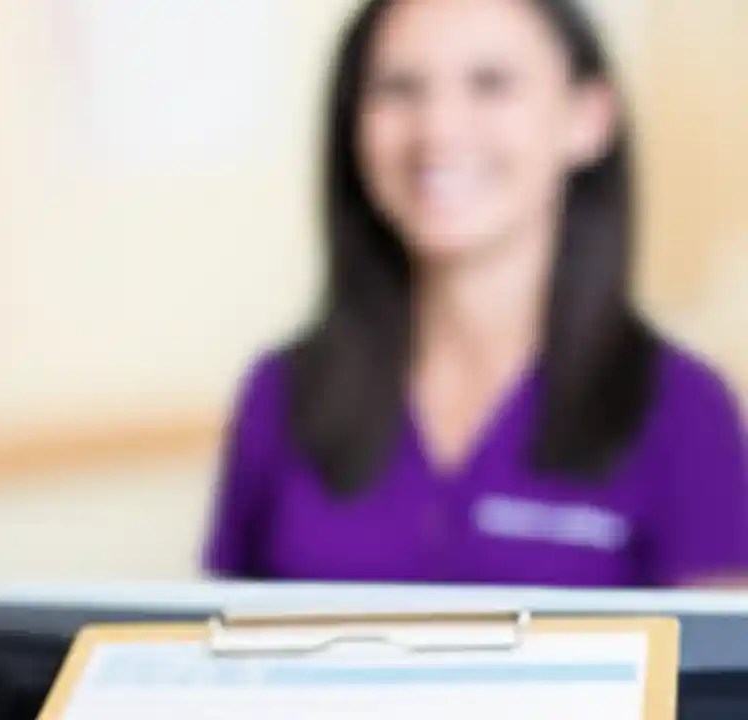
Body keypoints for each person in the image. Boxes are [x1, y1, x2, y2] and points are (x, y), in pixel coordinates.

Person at [205, 0, 748, 587]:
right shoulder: (279, 395)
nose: (438, 129)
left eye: (491, 84)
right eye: (399, 87)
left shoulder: (683, 409)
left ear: (588, 117)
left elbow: (718, 667)